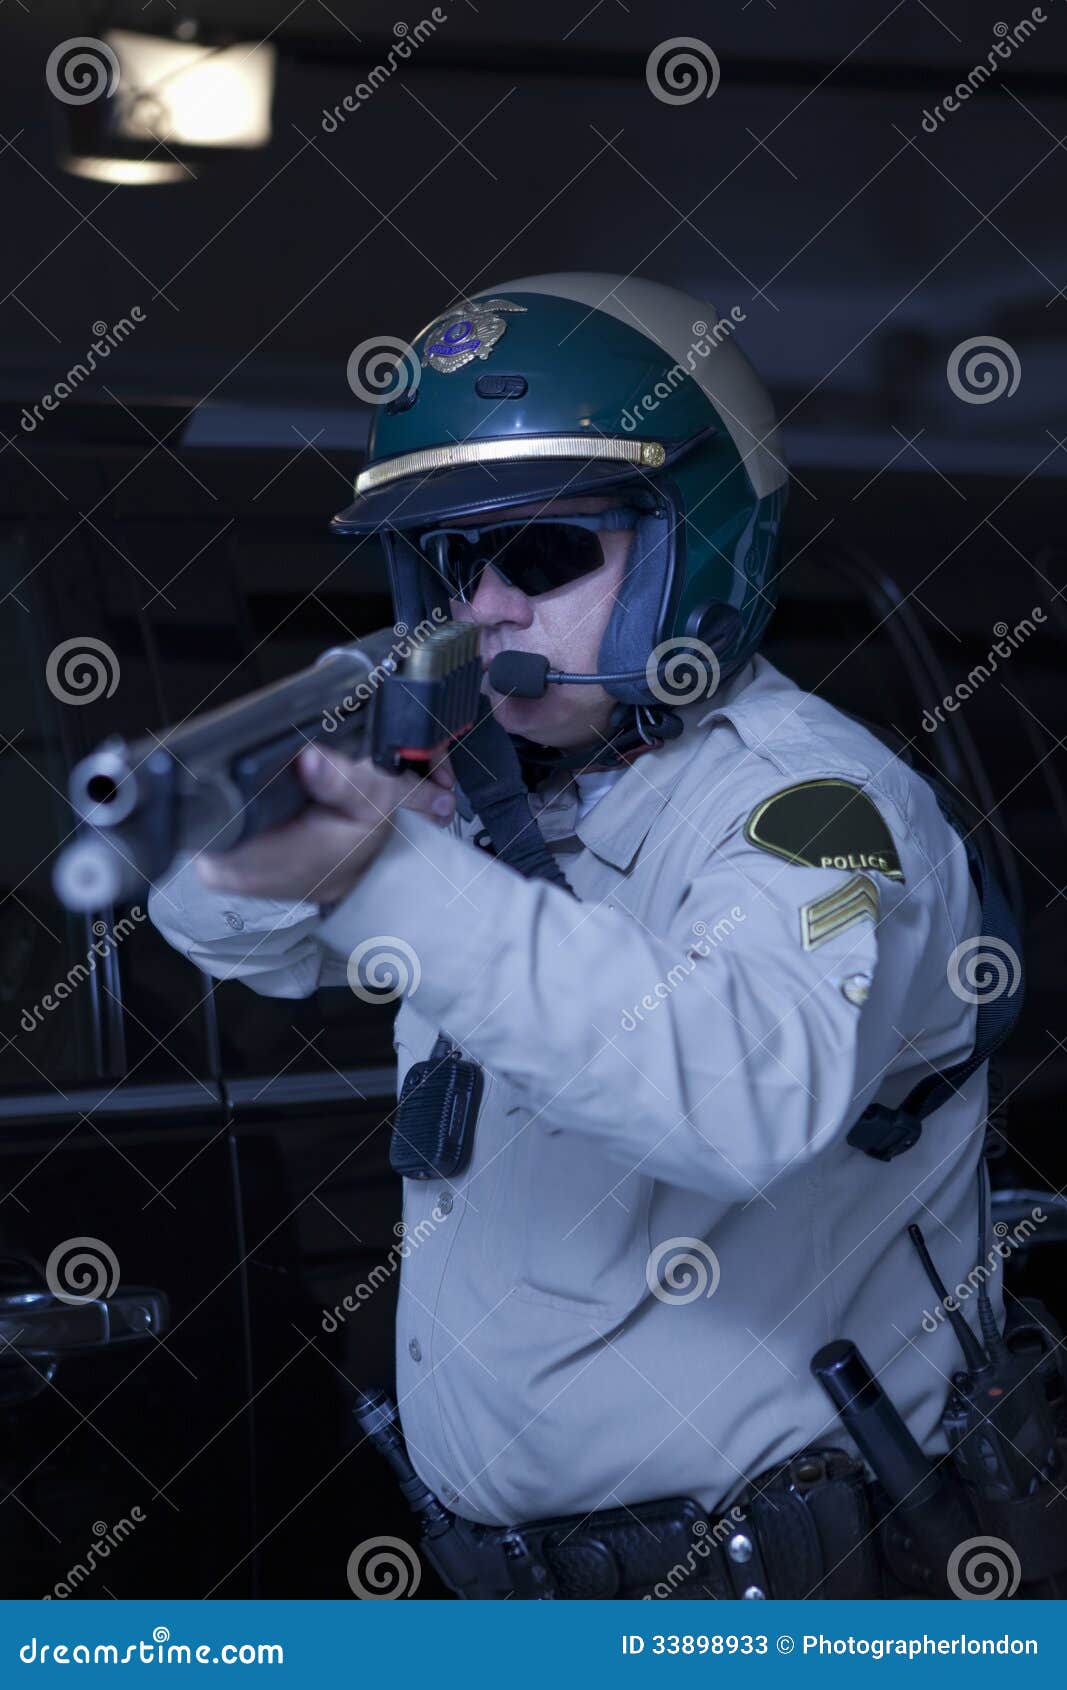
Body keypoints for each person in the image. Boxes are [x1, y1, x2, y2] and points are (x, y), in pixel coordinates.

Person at [148, 272, 1005, 1598]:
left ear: (692, 544)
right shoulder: (502, 797)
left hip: (769, 1603)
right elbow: (215, 927)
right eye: (453, 562)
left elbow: (743, 1096)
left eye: (543, 556)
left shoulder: (814, 807)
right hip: (513, 1595)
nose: (489, 604)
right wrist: (306, 773)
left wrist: (382, 877)